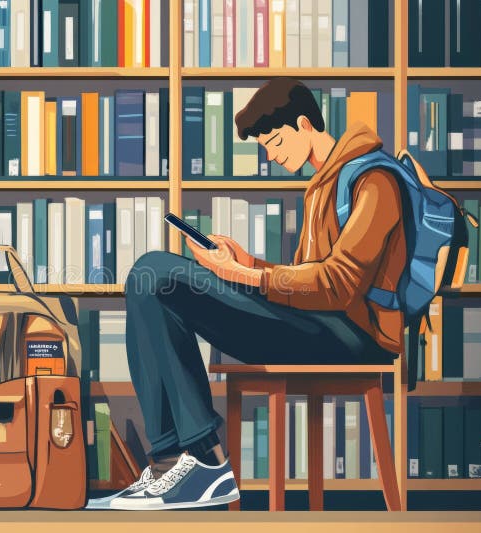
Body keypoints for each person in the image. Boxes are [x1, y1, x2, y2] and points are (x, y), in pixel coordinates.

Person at [97, 78, 405, 511]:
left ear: (304, 124)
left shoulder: (374, 182)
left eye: (276, 141)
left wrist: (247, 277)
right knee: (153, 282)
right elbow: (306, 277)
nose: (271, 155)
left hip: (354, 336)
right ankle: (174, 464)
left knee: (154, 271)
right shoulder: (325, 183)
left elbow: (338, 284)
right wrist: (249, 264)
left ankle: (201, 463)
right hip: (320, 322)